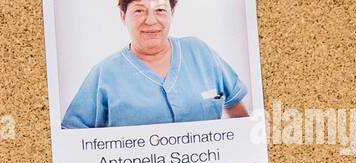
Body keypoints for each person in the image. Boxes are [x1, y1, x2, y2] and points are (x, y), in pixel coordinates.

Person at [62, 0, 249, 130]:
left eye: (160, 10)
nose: (150, 20)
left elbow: (237, 111)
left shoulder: (200, 53)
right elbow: (72, 137)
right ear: (122, 15)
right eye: (139, 10)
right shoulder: (104, 74)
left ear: (172, 12)